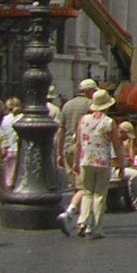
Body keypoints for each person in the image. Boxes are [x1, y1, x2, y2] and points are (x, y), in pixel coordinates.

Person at [75, 89, 125, 238]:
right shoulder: (109, 122)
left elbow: (78, 143)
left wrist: (76, 162)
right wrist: (121, 164)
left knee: (87, 192)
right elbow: (117, 145)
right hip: (102, 161)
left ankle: (82, 222)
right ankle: (96, 228)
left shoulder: (83, 120)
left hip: (85, 160)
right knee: (99, 195)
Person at [55, 78, 98, 234]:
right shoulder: (90, 105)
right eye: (93, 91)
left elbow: (60, 131)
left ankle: (83, 220)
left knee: (77, 187)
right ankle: (70, 214)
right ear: (89, 91)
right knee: (85, 188)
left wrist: (59, 152)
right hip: (83, 149)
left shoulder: (67, 105)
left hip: (67, 148)